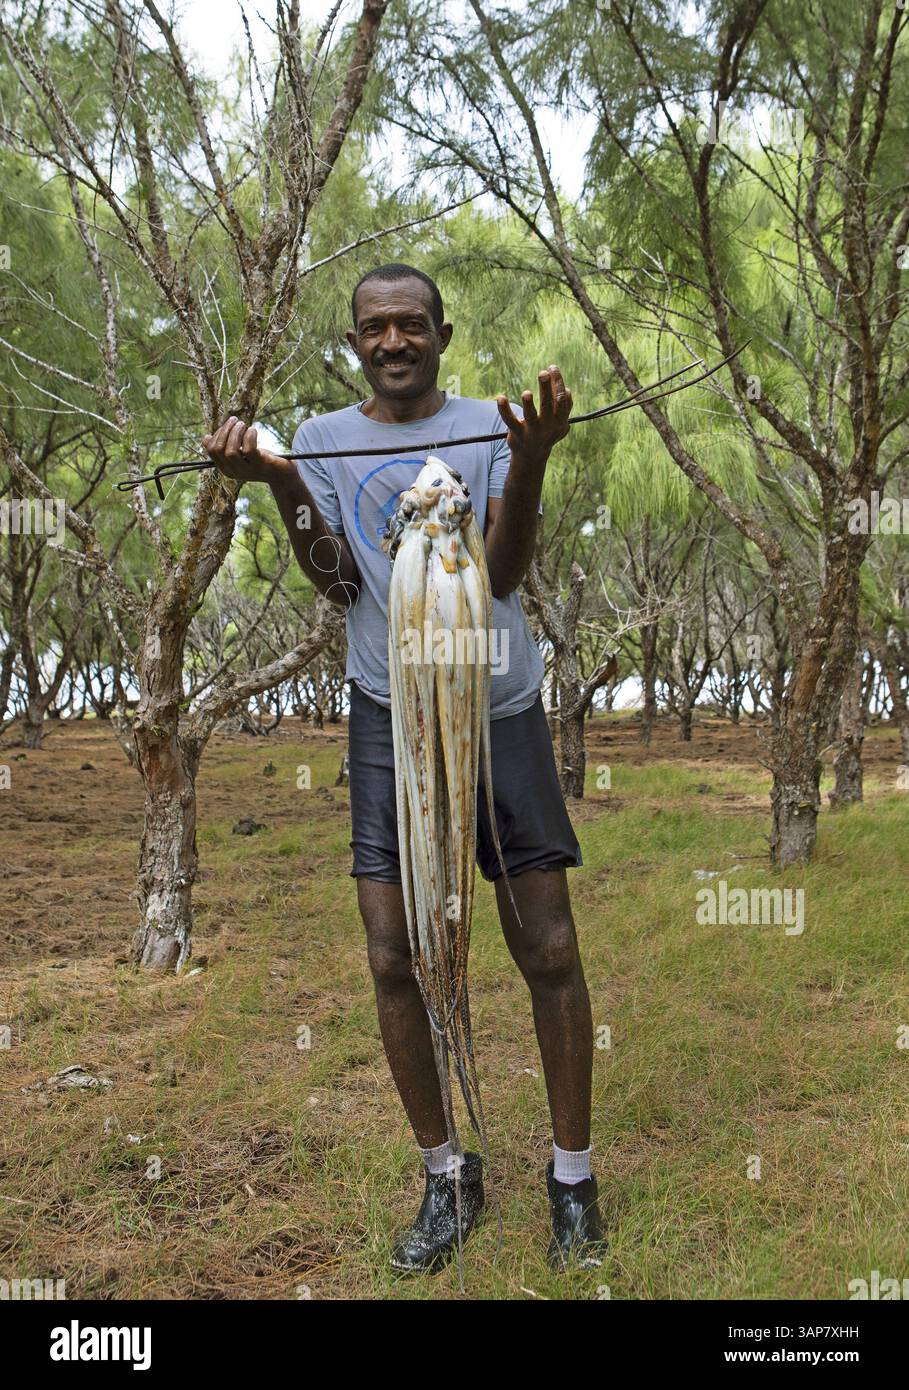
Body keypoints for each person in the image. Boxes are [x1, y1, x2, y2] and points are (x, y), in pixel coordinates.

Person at [203, 262, 607, 1274]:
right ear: (357, 344)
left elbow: (506, 574)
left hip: (498, 708)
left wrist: (536, 460)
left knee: (546, 946)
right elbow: (340, 582)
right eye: (376, 328)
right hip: (389, 721)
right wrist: (284, 480)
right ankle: (446, 1173)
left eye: (411, 324)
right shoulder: (329, 443)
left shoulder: (495, 425)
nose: (394, 341)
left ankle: (572, 1179)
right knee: (395, 954)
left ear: (442, 330)